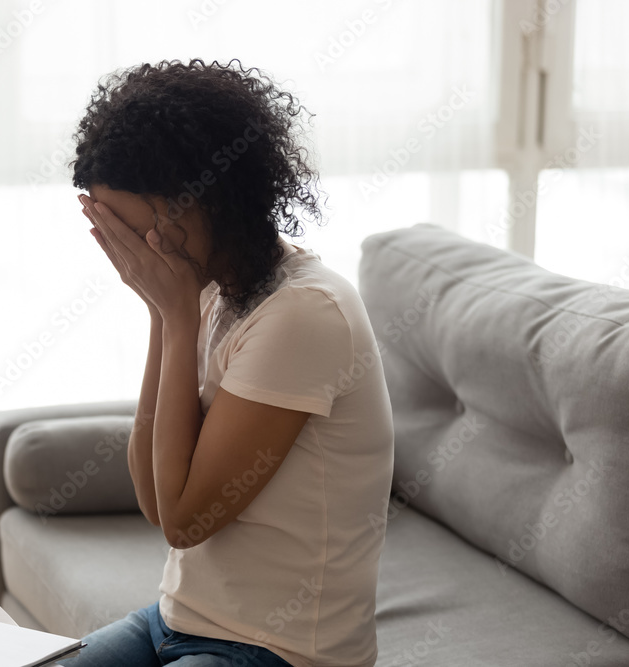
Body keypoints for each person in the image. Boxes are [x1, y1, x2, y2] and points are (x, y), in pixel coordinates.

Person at [63, 58, 394, 667]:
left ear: (201, 205)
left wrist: (176, 313)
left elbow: (187, 522)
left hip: (283, 650)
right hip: (177, 620)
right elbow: (154, 498)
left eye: (133, 232)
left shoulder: (304, 314)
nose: (128, 254)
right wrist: (164, 316)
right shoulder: (212, 287)